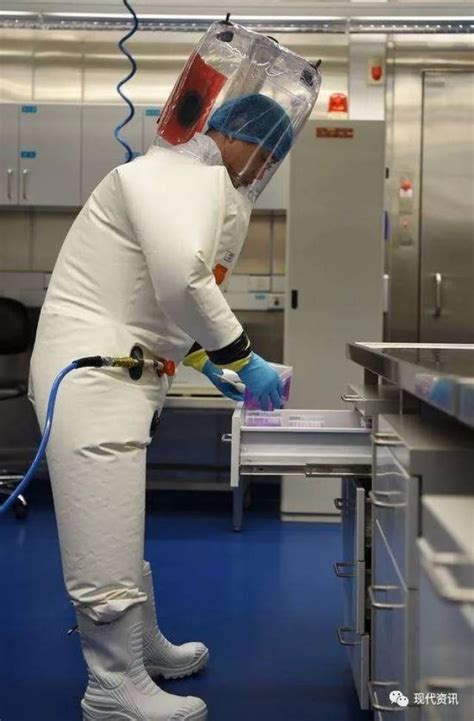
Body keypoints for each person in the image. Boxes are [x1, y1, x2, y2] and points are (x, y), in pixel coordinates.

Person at [28, 94, 290, 721]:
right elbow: (182, 280)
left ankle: (140, 649)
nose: (264, 167)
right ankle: (112, 686)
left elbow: (148, 300)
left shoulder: (190, 182)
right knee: (101, 530)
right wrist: (243, 358)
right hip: (87, 376)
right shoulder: (173, 175)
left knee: (117, 520)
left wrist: (205, 360)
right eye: (263, 152)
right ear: (229, 133)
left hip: (117, 371)